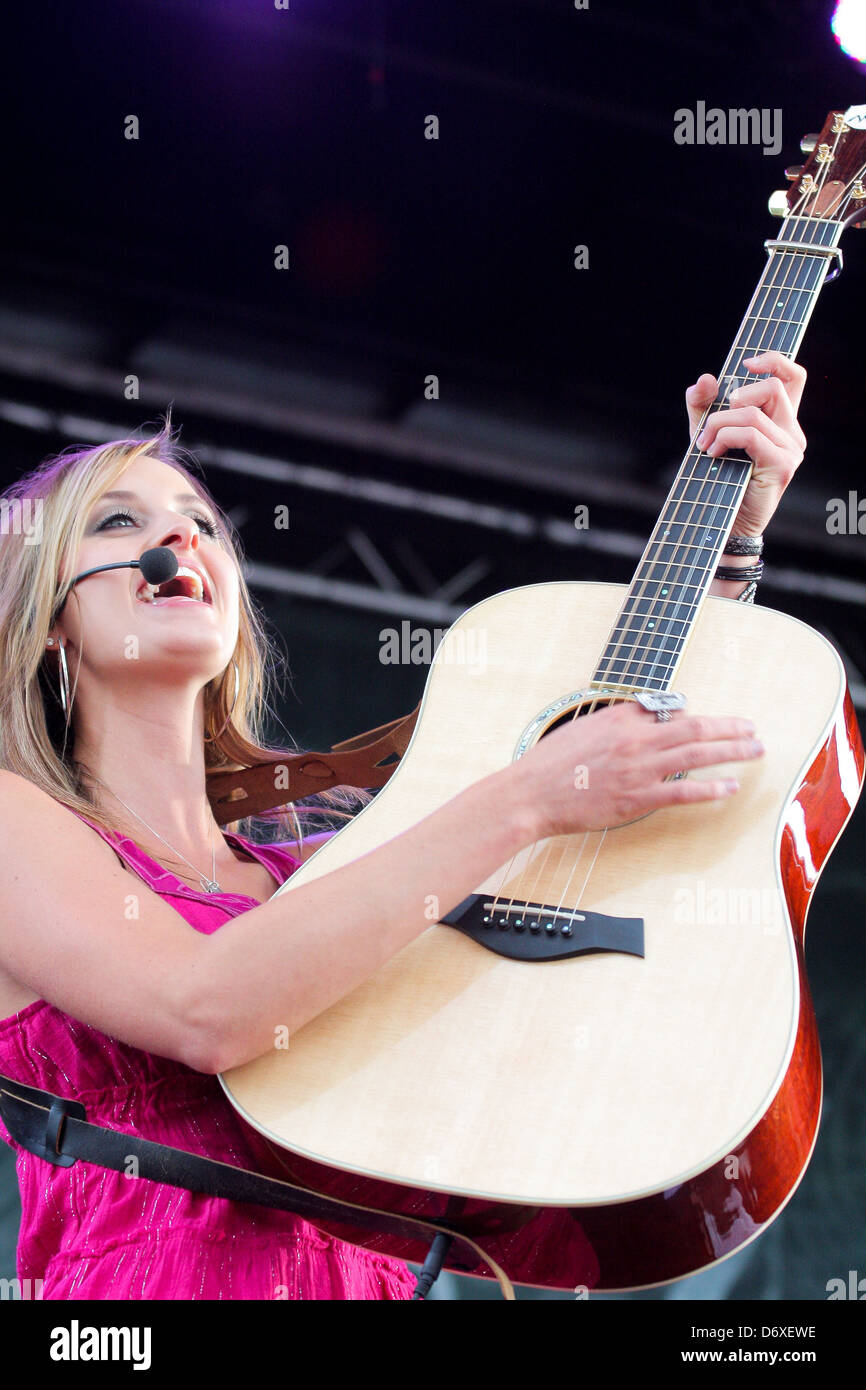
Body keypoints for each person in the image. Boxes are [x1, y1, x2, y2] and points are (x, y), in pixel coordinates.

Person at [0, 350, 807, 1299]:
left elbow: (580, 848)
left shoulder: (325, 866)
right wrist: (529, 793)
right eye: (119, 521)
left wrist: (725, 545)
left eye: (204, 525)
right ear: (45, 610)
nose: (180, 539)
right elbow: (204, 1009)